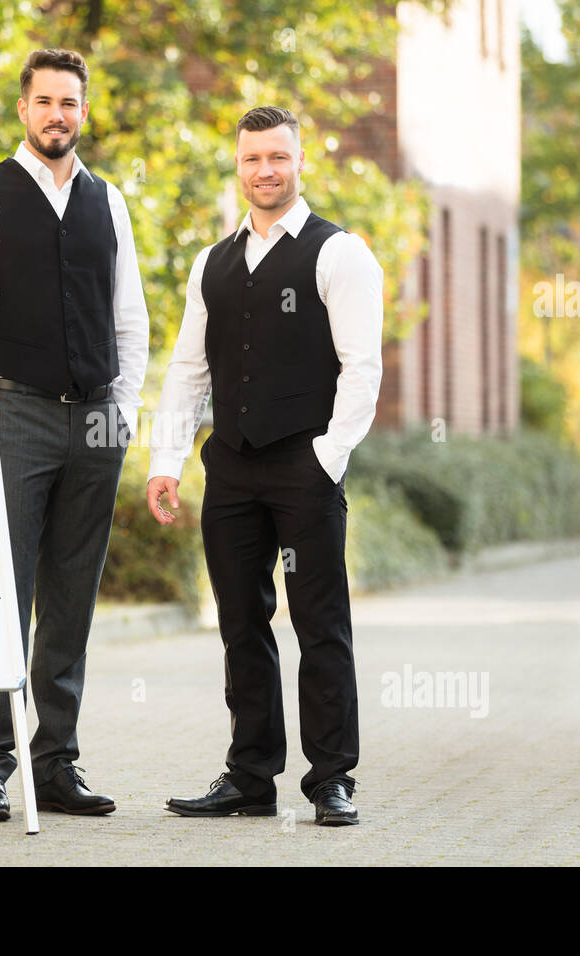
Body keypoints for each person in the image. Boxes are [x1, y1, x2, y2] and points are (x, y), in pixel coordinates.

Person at [0, 48, 147, 821]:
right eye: (45, 101)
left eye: (70, 103)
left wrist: (125, 407)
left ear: (85, 111)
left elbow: (128, 319)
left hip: (96, 418)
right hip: (11, 413)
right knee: (3, 596)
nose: (58, 115)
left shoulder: (107, 203)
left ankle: (57, 765)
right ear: (23, 110)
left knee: (71, 599)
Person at [146, 106, 383, 826]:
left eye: (277, 157)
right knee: (239, 625)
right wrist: (167, 460)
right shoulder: (210, 263)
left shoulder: (339, 253)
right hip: (232, 470)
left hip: (306, 464)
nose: (265, 171)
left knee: (320, 623)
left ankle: (332, 778)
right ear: (239, 165)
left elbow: (361, 369)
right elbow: (188, 371)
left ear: (300, 161)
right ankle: (250, 777)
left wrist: (327, 458)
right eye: (252, 159)